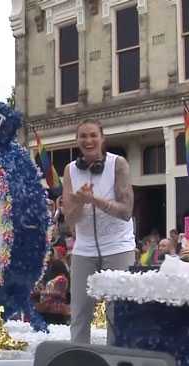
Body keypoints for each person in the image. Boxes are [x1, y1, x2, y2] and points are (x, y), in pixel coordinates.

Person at [61, 119, 134, 344]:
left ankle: (117, 362)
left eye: (93, 135)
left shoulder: (117, 164)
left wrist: (94, 199)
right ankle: (78, 362)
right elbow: (70, 221)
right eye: (83, 136)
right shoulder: (70, 170)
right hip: (84, 249)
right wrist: (79, 203)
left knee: (117, 312)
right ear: (77, 141)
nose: (88, 140)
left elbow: (126, 211)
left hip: (118, 246)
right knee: (80, 312)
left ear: (102, 138)